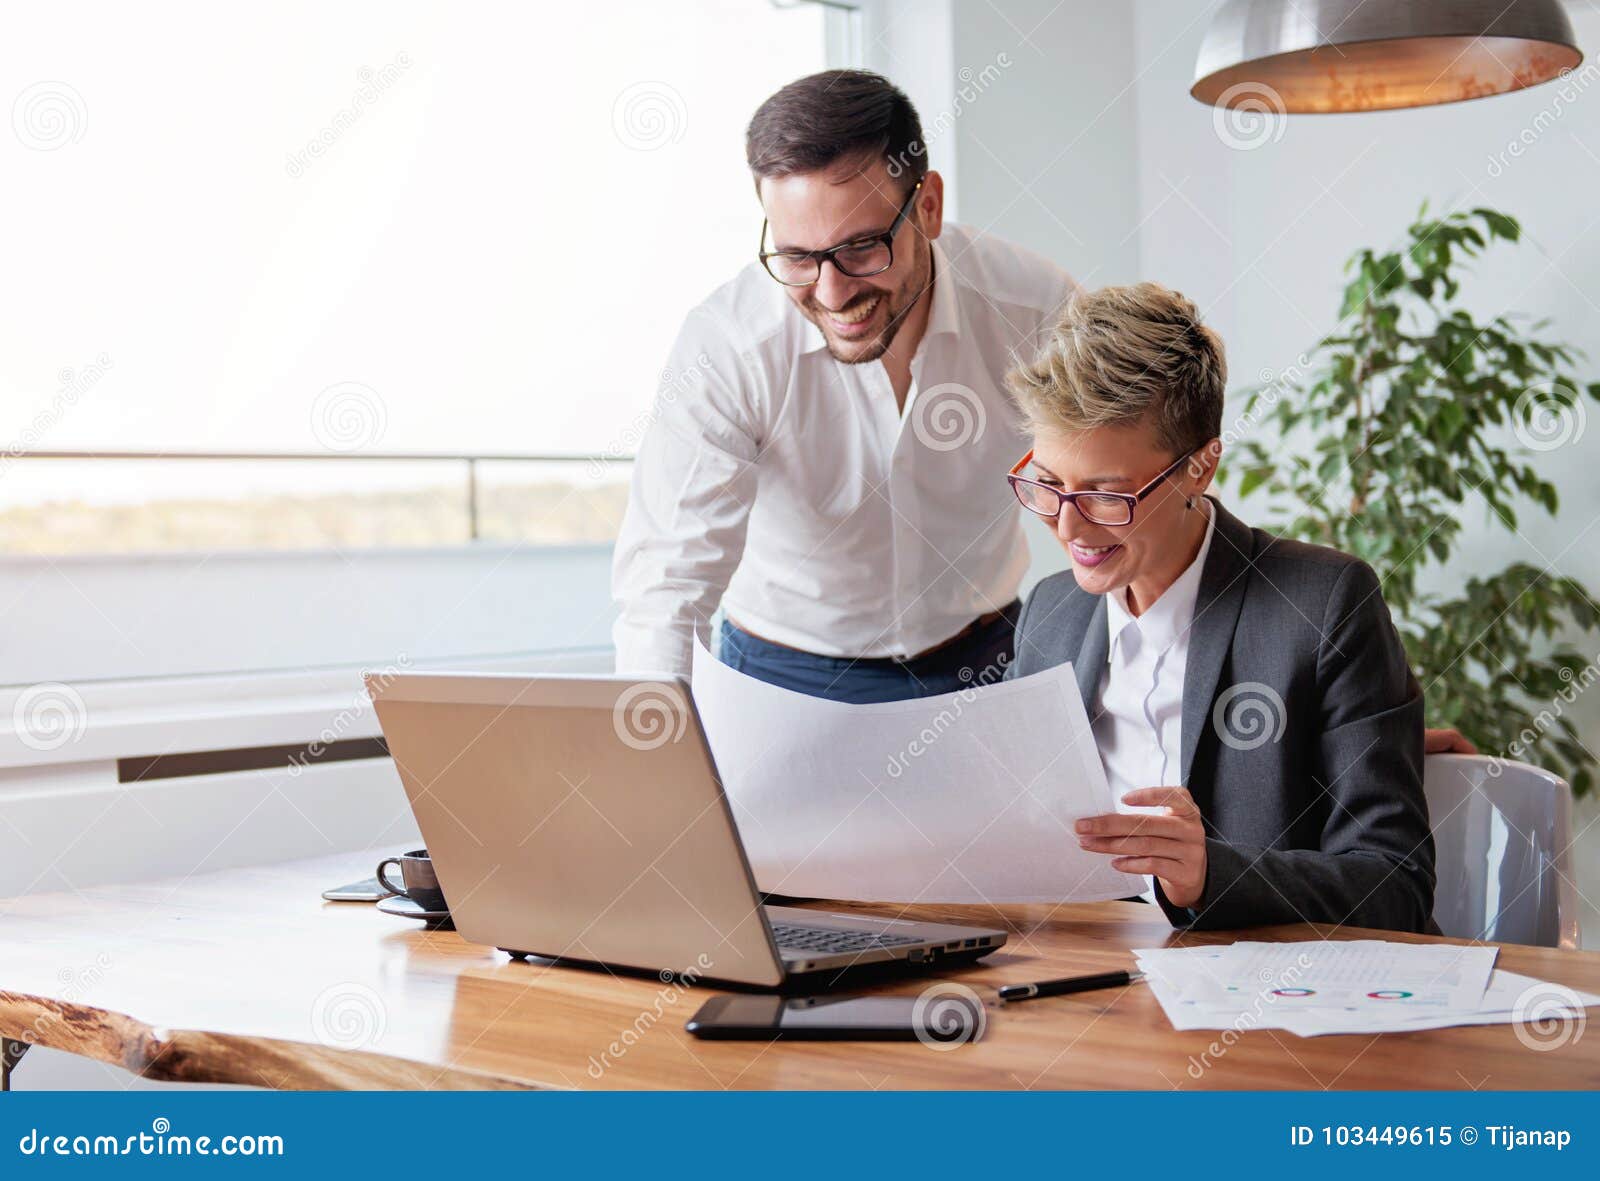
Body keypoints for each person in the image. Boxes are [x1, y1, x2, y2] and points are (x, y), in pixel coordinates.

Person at [611, 70, 1076, 702]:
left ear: (928, 207)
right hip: (785, 668)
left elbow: (1112, 487)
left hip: (986, 650)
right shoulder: (728, 346)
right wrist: (659, 743)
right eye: (798, 257)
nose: (832, 294)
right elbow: (667, 584)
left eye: (861, 248)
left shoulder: (1035, 309)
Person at [1003, 282, 1436, 932]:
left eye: (1107, 496)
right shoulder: (1050, 612)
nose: (1068, 528)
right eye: (1047, 484)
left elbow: (1396, 884)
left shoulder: (1324, 605)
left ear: (1199, 469)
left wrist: (1212, 873)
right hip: (1084, 967)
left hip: (1256, 983)